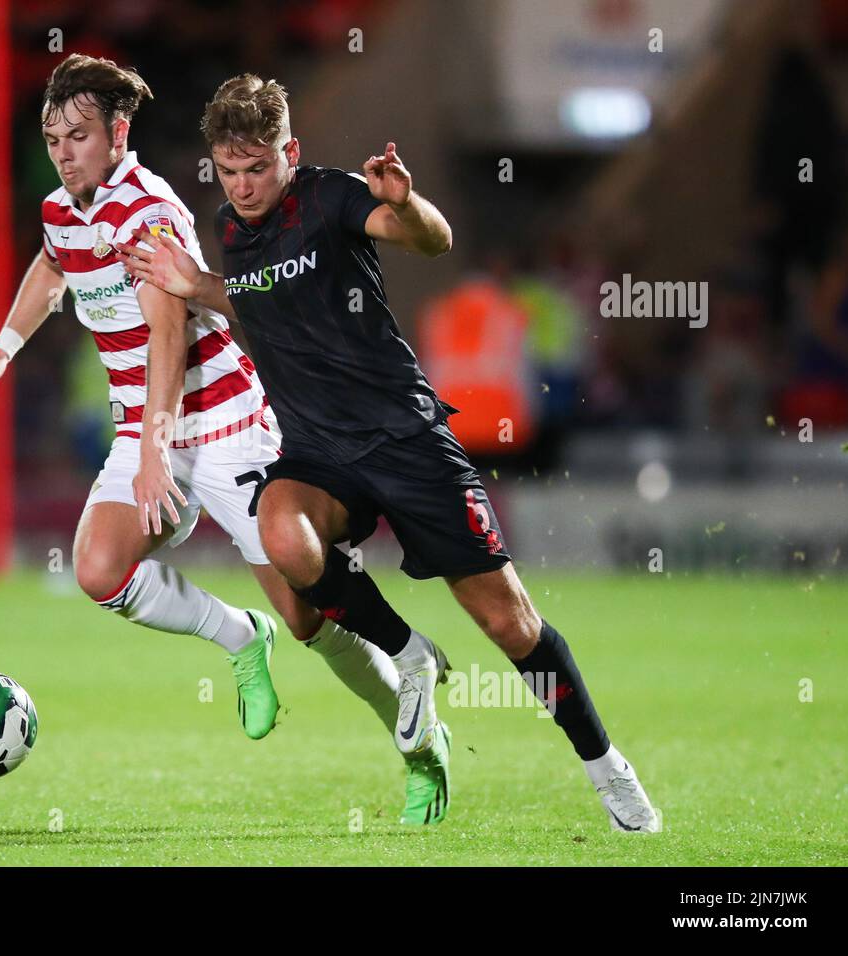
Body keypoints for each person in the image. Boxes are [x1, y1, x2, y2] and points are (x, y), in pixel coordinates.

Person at [116, 74, 660, 831]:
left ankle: (609, 771)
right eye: (229, 170)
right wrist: (198, 282)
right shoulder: (232, 230)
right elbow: (268, 298)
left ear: (290, 153)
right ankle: (407, 655)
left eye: (258, 167)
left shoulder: (333, 197)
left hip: (405, 440)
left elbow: (430, 241)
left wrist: (405, 203)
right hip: (319, 452)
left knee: (511, 626)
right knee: (280, 532)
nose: (242, 186)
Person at [0, 58, 444, 828]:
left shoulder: (146, 209)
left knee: (314, 620)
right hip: (145, 426)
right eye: (53, 137)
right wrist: (1, 351)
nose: (64, 151)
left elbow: (169, 331)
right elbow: (53, 267)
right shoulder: (61, 209)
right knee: (98, 569)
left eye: (78, 135)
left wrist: (155, 451)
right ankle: (237, 638)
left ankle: (420, 749)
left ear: (119, 133)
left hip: (226, 423)